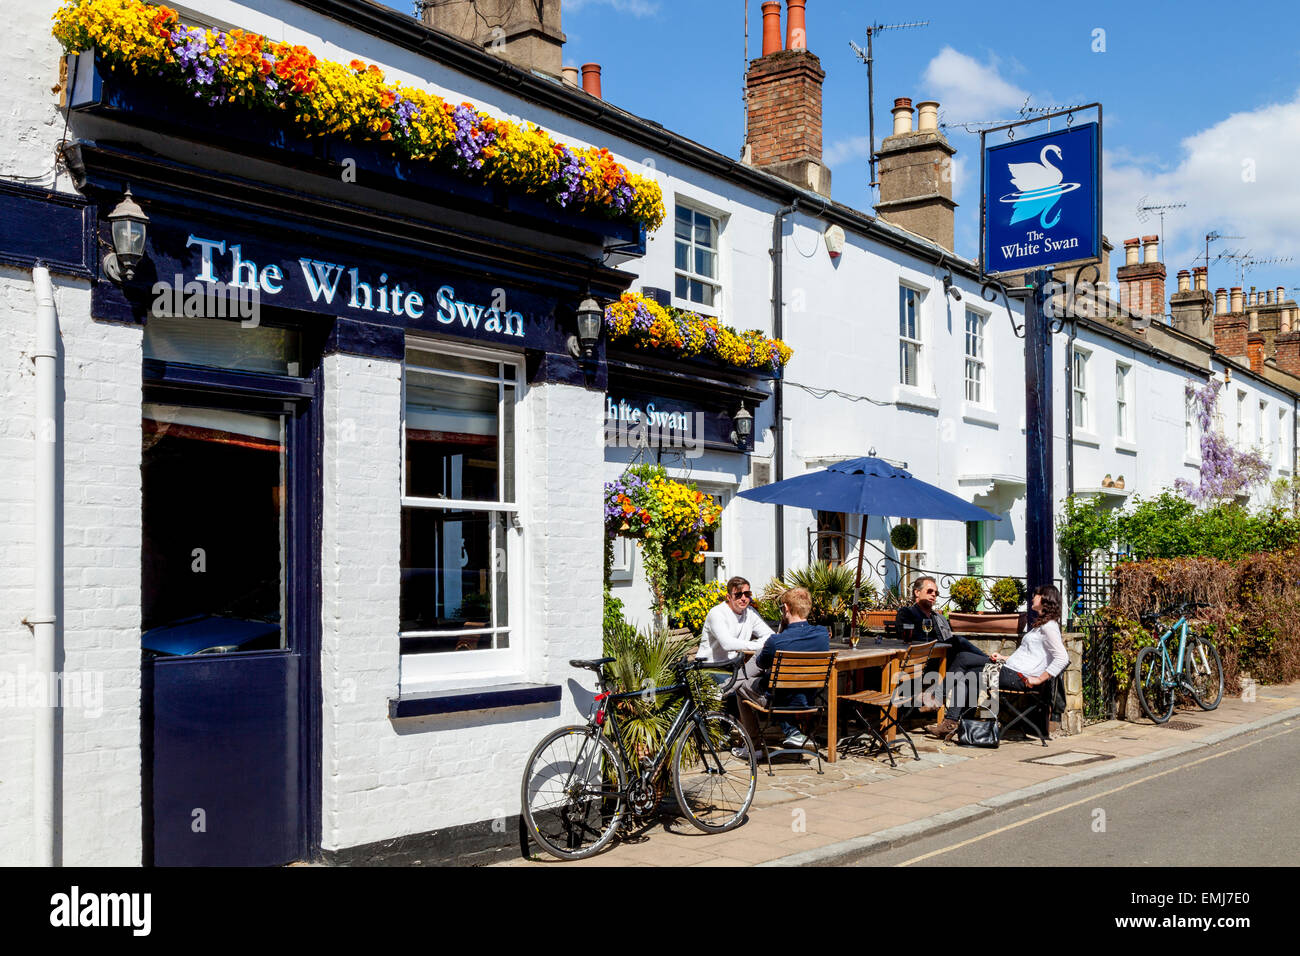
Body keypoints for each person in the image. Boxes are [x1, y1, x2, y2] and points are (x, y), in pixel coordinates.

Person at [924, 584, 1069, 737]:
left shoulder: (1049, 627)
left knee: (964, 662)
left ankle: (945, 709)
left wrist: (1040, 679)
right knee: (965, 668)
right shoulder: (1041, 626)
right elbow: (1029, 656)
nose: (1033, 598)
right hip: (1009, 669)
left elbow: (1062, 658)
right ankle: (959, 724)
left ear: (1046, 600)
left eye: (1037, 595)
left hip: (1018, 677)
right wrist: (1003, 658)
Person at [732, 587, 830, 756]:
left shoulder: (776, 641)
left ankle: (753, 747)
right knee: (776, 684)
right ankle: (792, 732)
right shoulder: (822, 634)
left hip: (776, 701)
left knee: (740, 685)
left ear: (786, 608)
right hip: (809, 699)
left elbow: (759, 665)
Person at [695, 576, 773, 664]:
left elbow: (770, 636)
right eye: (738, 595)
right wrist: (759, 645)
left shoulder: (750, 612)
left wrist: (758, 644)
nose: (743, 598)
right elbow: (727, 644)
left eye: (747, 594)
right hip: (710, 667)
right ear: (728, 597)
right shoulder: (717, 613)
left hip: (734, 665)